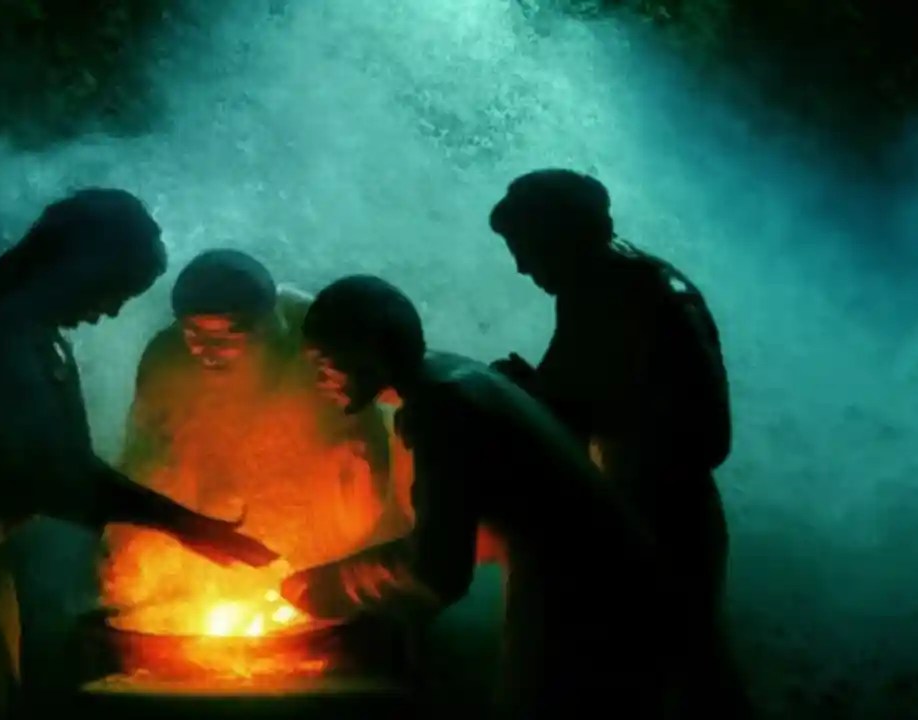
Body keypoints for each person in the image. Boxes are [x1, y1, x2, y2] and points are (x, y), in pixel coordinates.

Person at [0, 189, 277, 720]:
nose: (108, 311)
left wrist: (185, 525)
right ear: (82, 260)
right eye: (114, 290)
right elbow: (58, 475)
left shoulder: (24, 332)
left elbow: (67, 468)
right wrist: (188, 526)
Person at [278, 275, 670, 719]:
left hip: (594, 598)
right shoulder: (450, 379)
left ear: (371, 354)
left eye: (325, 362)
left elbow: (438, 569)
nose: (318, 378)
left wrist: (334, 584)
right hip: (605, 576)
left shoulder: (441, 410)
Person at [488, 168, 747, 717]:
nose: (521, 266)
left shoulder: (614, 290)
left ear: (563, 233)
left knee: (673, 678)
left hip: (660, 516)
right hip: (657, 507)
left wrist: (529, 396)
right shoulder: (617, 279)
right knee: (687, 672)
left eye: (527, 248)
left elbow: (673, 426)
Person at [101, 251, 411, 630]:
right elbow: (145, 453)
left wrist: (350, 565)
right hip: (223, 524)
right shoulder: (166, 357)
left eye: (227, 335)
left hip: (317, 523)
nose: (207, 351)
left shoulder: (315, 336)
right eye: (194, 334)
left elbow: (364, 448)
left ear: (266, 326)